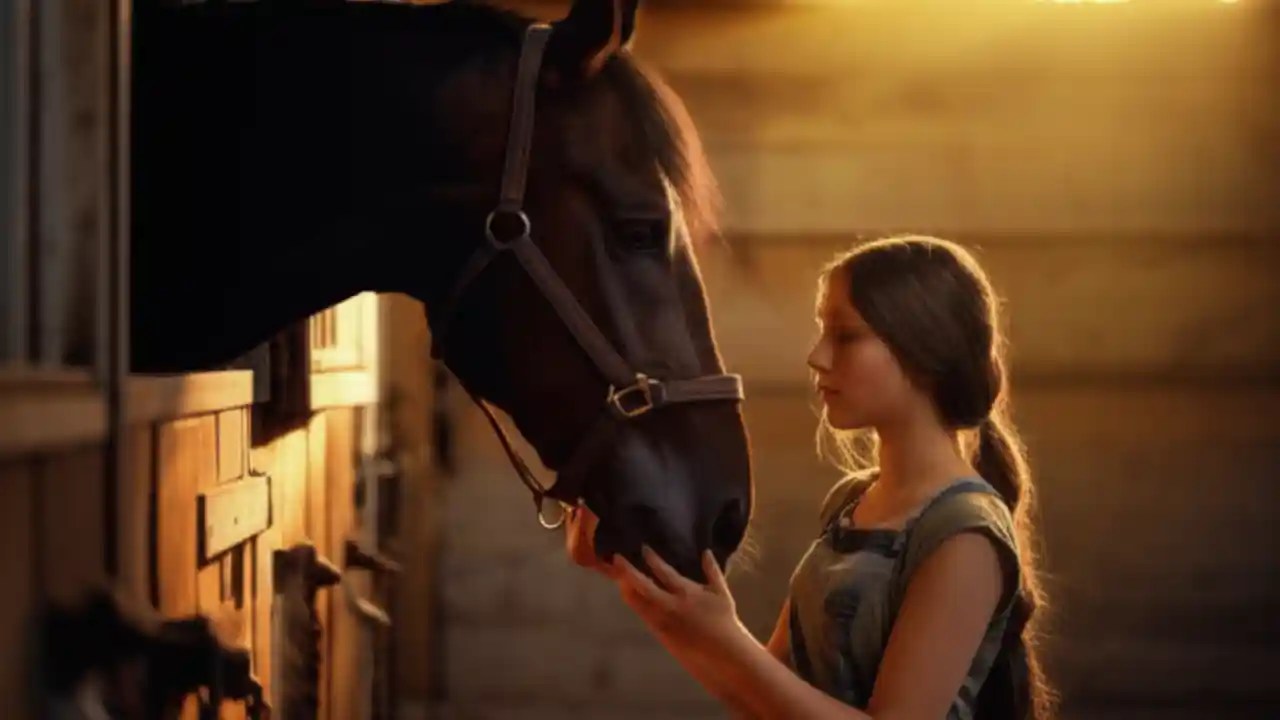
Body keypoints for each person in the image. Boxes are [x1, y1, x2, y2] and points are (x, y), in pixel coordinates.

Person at [566, 235, 1054, 719]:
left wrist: (726, 635)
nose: (817, 356)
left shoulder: (965, 532)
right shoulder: (853, 500)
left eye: (845, 335)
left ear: (924, 348)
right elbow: (766, 698)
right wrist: (648, 591)